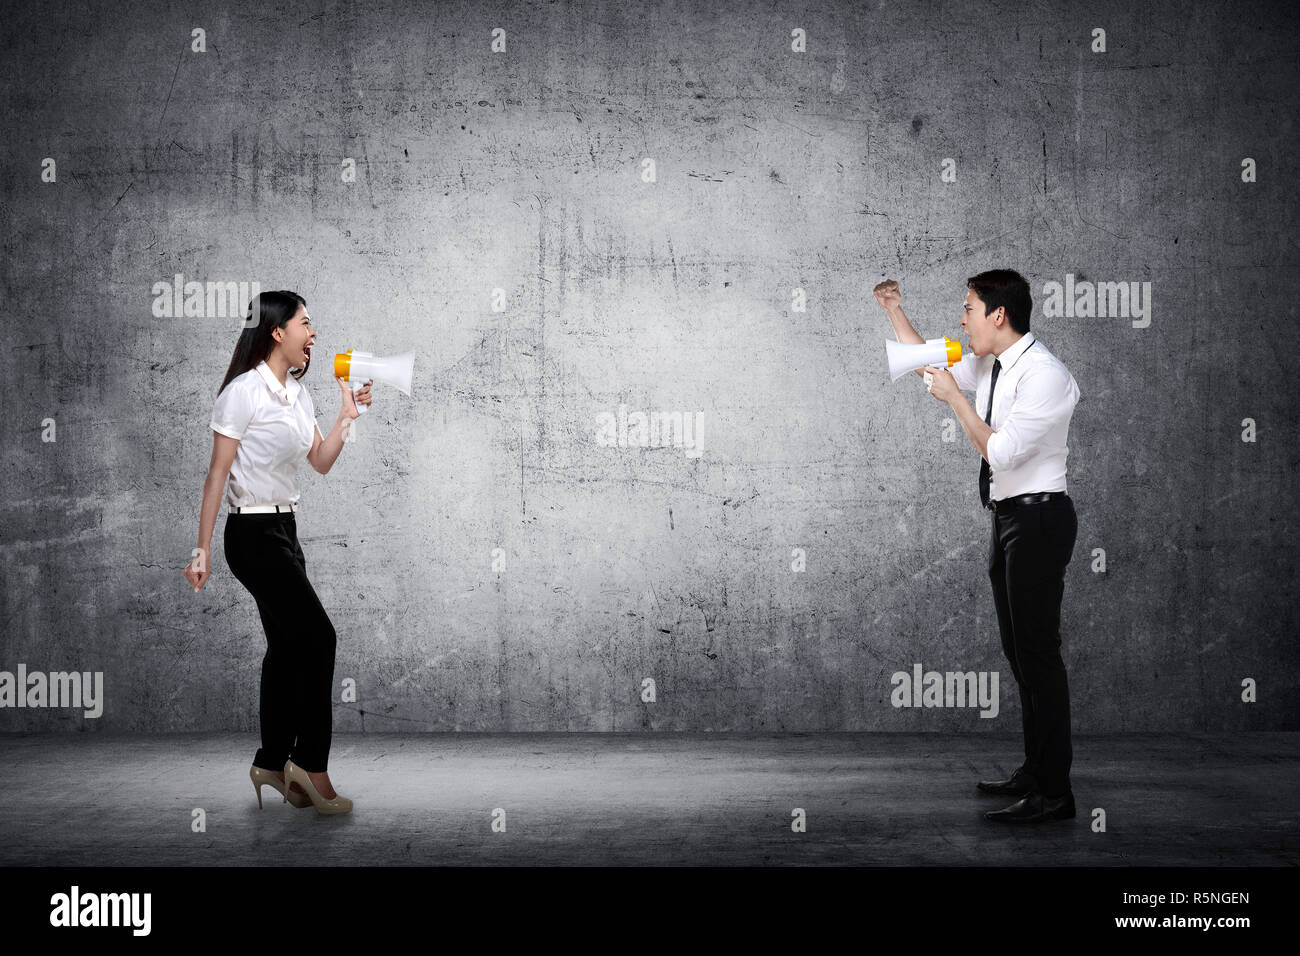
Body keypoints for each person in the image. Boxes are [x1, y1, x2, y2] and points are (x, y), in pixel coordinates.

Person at [875, 271, 1081, 824]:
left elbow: (1004, 454)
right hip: (1010, 521)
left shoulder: (1045, 375)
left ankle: (1055, 793)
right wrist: (894, 306)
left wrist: (955, 405)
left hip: (1040, 523)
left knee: (1038, 656)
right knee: (1020, 654)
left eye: (968, 309)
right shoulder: (992, 362)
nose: (961, 319)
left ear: (998, 316)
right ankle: (1035, 771)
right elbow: (925, 360)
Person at [181, 291, 372, 815]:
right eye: (306, 323)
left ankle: (270, 760)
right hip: (251, 536)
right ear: (277, 332)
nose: (314, 333)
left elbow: (321, 461)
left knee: (287, 648)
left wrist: (347, 415)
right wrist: (201, 550)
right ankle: (311, 766)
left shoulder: (297, 395)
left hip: (286, 530)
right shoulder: (243, 393)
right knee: (319, 637)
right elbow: (216, 474)